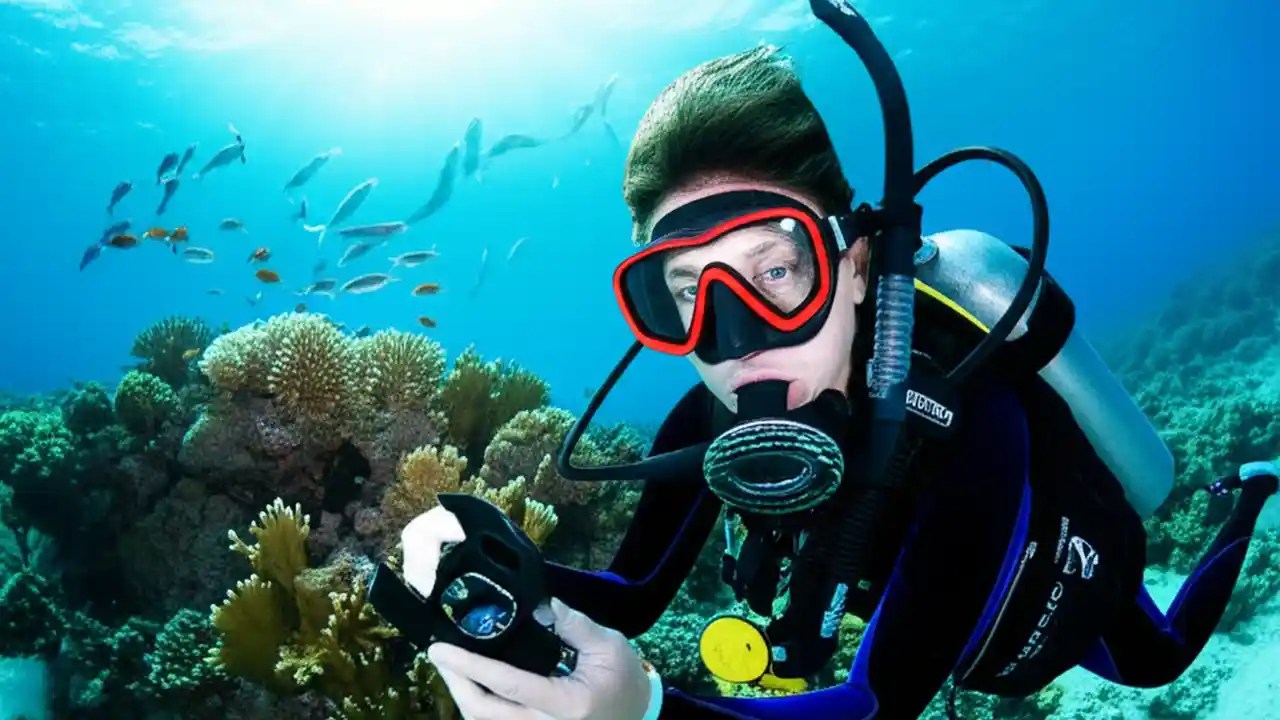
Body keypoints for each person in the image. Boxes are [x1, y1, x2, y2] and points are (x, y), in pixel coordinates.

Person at [399, 40, 1279, 720]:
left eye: (776, 271)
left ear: (856, 267)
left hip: (1067, 585)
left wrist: (651, 709)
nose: (736, 340)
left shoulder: (970, 420)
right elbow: (633, 597)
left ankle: (1249, 495)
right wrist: (493, 571)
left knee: (1156, 660)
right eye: (689, 293)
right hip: (943, 631)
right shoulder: (705, 420)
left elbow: (874, 707)